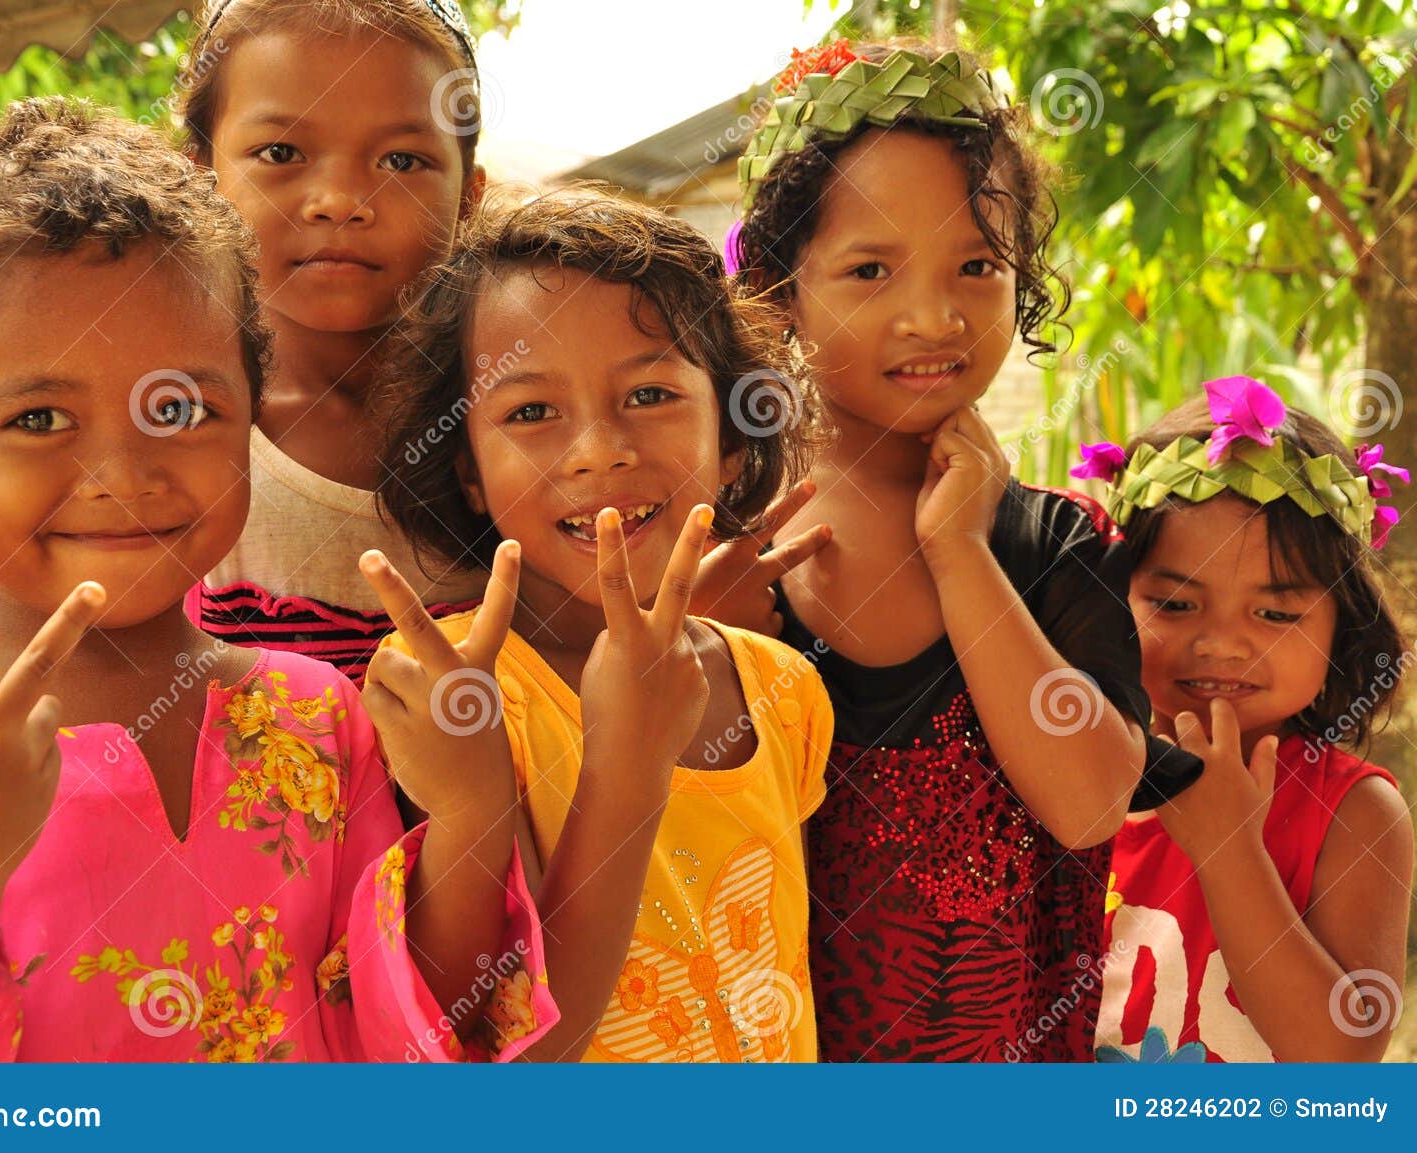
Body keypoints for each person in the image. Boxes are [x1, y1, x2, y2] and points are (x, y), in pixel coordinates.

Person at [0, 98, 556, 1062]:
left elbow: (419, 1032)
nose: (123, 474)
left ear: (252, 409)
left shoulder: (319, 717)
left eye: (179, 405)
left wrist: (469, 811)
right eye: (39, 419)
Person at [731, 37, 1198, 1060]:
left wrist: (960, 555)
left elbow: (1085, 804)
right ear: (776, 287)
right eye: (869, 269)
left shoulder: (1051, 542)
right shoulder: (725, 539)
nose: (933, 316)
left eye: (977, 266)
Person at [371, 189, 833, 1061]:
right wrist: (626, 762)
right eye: (532, 412)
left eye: (651, 392)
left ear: (734, 442)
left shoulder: (784, 688)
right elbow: (509, 1063)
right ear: (470, 472)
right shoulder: (456, 689)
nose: (598, 450)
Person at [1081, 377, 1415, 1062]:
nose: (1220, 643)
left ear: (1342, 626)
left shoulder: (1357, 813)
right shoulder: (1077, 774)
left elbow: (1341, 1064)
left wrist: (1226, 847)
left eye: (1275, 612)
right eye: (1175, 604)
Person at [178, 0, 493, 682]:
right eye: (281, 153)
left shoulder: (516, 414)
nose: (341, 199)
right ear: (199, 175)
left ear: (469, 196)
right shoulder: (169, 433)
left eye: (402, 159)